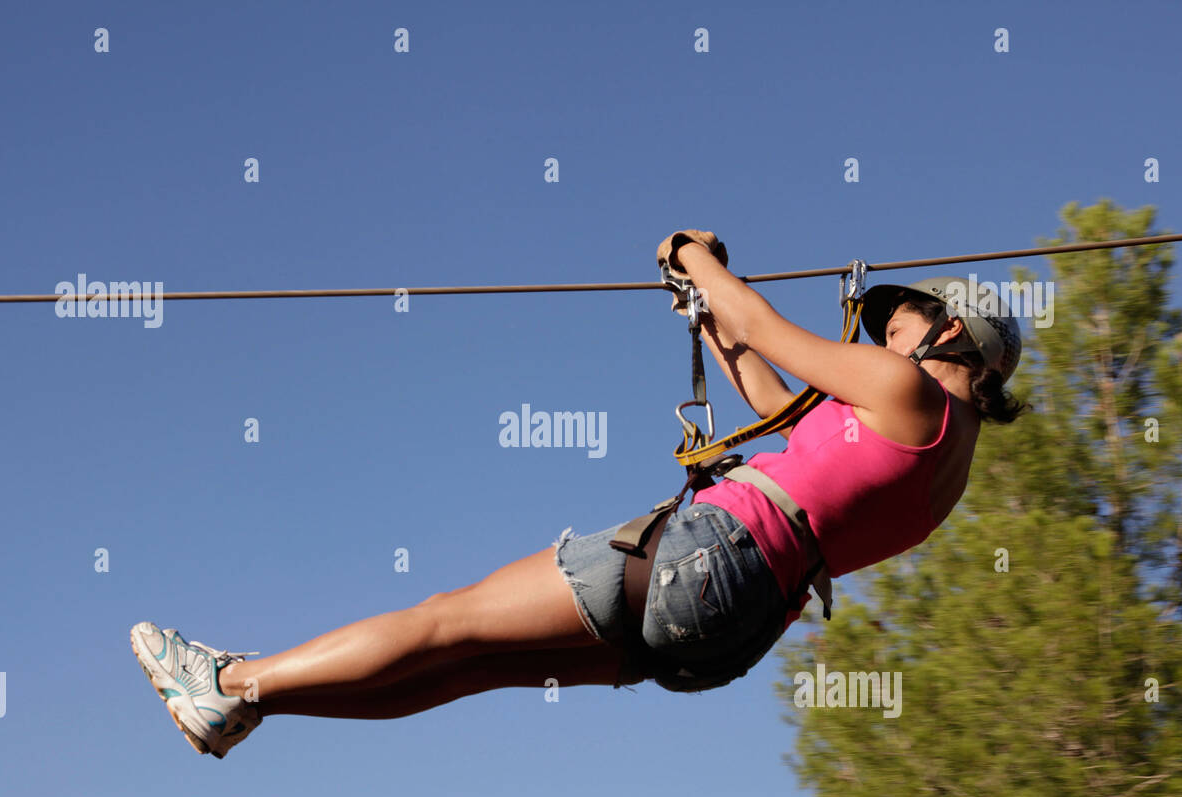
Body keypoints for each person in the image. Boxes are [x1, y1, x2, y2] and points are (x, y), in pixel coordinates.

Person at [129, 230, 1026, 758]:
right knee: (472, 671)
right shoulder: (944, 463)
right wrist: (707, 311)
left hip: (710, 555)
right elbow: (769, 393)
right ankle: (252, 705)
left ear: (952, 333)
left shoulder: (903, 389)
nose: (883, 330)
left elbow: (762, 324)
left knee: (451, 620)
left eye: (899, 321)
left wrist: (697, 255)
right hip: (735, 626)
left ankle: (233, 678)